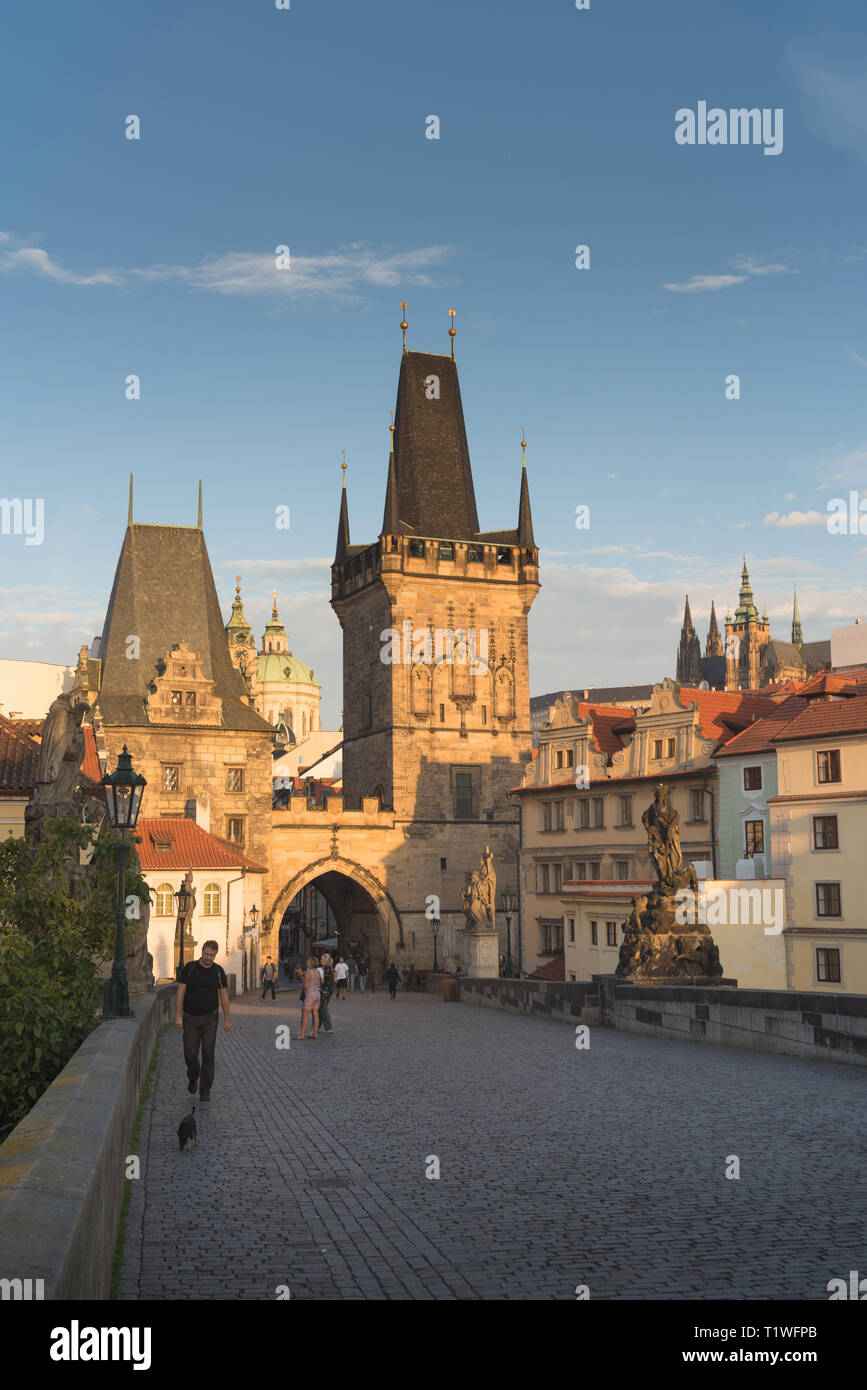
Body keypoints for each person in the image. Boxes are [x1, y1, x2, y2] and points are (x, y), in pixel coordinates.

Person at [175, 940, 231, 1103]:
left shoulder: (218, 971)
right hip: (190, 1017)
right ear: (202, 951)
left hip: (210, 1017)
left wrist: (227, 1018)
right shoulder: (190, 968)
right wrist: (178, 1015)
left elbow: (224, 995)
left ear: (215, 955)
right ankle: (193, 1076)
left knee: (208, 1053)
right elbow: (180, 992)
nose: (208, 958)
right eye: (206, 954)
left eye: (211, 955)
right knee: (190, 1053)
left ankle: (205, 1091)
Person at [296, 956, 320, 1039]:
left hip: (310, 995)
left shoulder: (308, 973)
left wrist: (301, 983)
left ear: (310, 963)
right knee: (315, 1014)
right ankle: (315, 1033)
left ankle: (302, 1034)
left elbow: (306, 986)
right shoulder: (317, 972)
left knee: (305, 1015)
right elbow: (319, 984)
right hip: (317, 994)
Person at [317, 953, 335, 1032]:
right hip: (328, 991)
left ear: (326, 960)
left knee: (323, 1009)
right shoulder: (327, 968)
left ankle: (329, 1027)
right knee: (321, 1009)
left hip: (325, 991)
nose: (320, 960)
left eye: (322, 959)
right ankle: (316, 1026)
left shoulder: (326, 968)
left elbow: (325, 982)